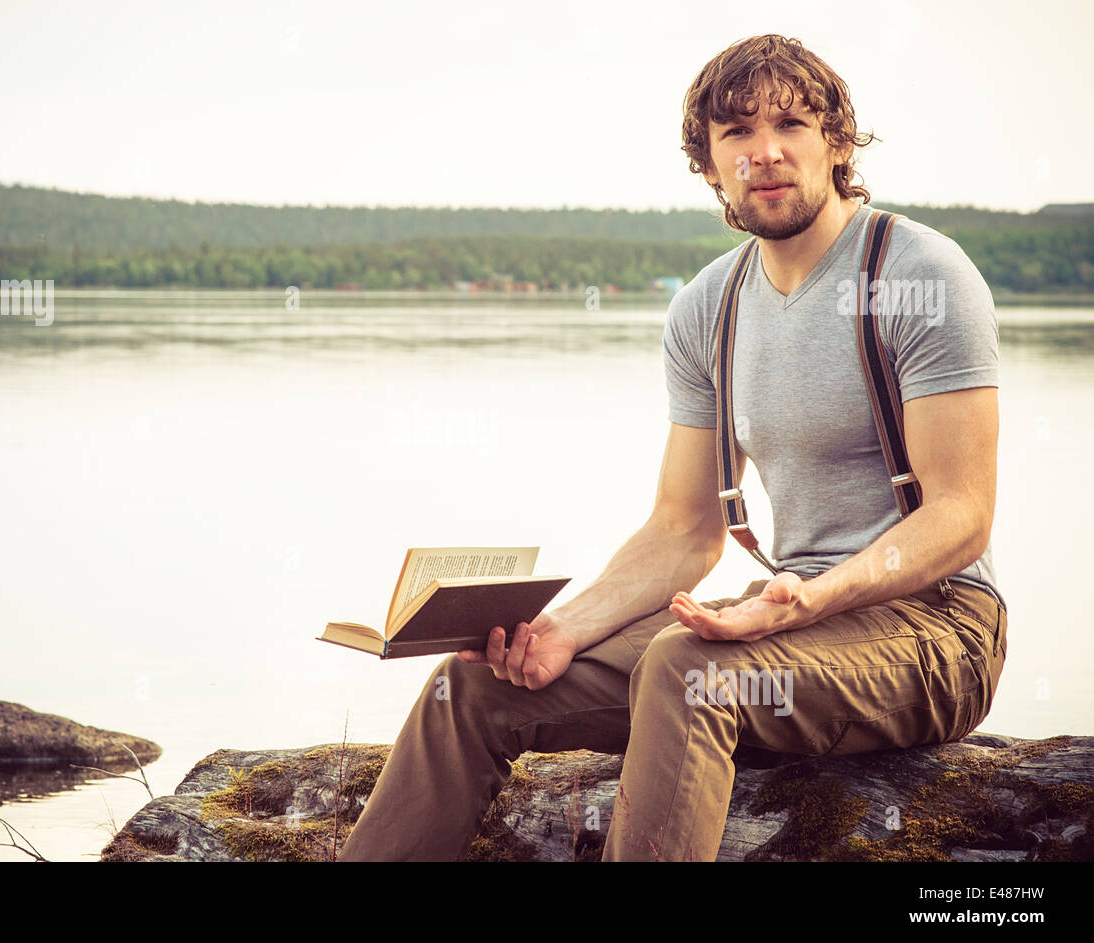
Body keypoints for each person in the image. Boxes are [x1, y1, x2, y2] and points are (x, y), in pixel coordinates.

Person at [336, 34, 1007, 862]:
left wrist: (814, 595)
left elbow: (962, 516)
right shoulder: (708, 308)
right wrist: (563, 628)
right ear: (708, 164)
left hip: (937, 628)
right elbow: (686, 528)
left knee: (690, 669)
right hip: (789, 624)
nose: (766, 152)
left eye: (792, 124)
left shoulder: (918, 274)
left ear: (837, 143)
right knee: (471, 685)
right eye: (736, 134)